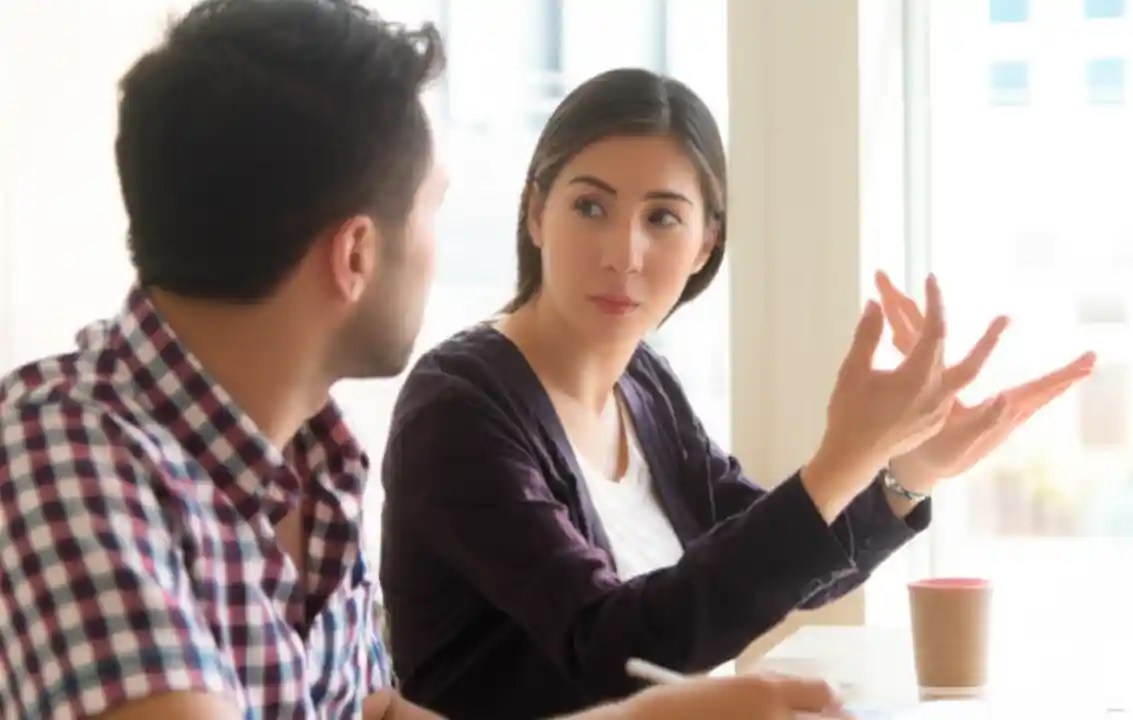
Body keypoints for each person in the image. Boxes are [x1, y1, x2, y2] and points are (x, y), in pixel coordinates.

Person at [0, 2, 851, 718]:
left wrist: (645, 716)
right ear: (357, 255)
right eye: (434, 210)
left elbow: (372, 713)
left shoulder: (312, 461)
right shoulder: (62, 458)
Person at [380, 67, 1097, 719]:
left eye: (662, 218)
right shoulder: (459, 408)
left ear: (704, 245)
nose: (622, 254)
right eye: (590, 207)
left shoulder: (644, 385)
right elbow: (615, 650)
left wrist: (910, 469)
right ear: (535, 212)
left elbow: (779, 565)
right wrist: (846, 455)